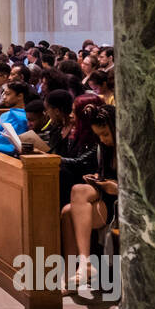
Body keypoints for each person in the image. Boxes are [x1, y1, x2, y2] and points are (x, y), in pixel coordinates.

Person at [59, 104, 118, 290]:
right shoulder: (102, 148)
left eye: (106, 134)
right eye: (99, 135)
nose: (102, 139)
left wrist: (115, 187)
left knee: (74, 199)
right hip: (104, 197)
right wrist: (97, 179)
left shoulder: (131, 150)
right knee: (68, 209)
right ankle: (76, 269)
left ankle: (83, 265)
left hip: (120, 201)